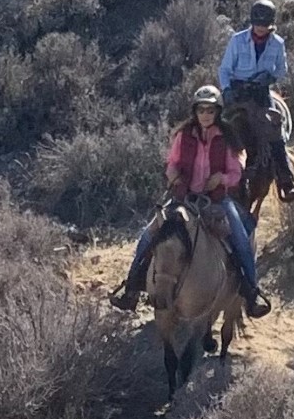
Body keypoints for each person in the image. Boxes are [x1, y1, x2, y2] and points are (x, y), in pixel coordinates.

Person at [109, 85, 271, 318]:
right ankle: (131, 287)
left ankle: (251, 293)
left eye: (211, 110)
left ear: (217, 112)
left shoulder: (227, 139)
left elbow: (237, 171)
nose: (206, 114)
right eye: (201, 109)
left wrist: (221, 178)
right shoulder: (183, 136)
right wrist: (173, 174)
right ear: (195, 111)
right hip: (183, 198)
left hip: (216, 200)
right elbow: (172, 162)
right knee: (148, 235)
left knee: (241, 239)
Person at [218, 0, 294, 201]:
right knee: (213, 126)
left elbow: (282, 70)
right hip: (237, 92)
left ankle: (285, 180)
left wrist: (270, 77)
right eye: (258, 25)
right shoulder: (237, 40)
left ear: (271, 24)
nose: (260, 29)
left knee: (274, 130)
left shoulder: (278, 44)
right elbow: (225, 69)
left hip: (261, 93)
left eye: (265, 25)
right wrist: (226, 91)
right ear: (252, 22)